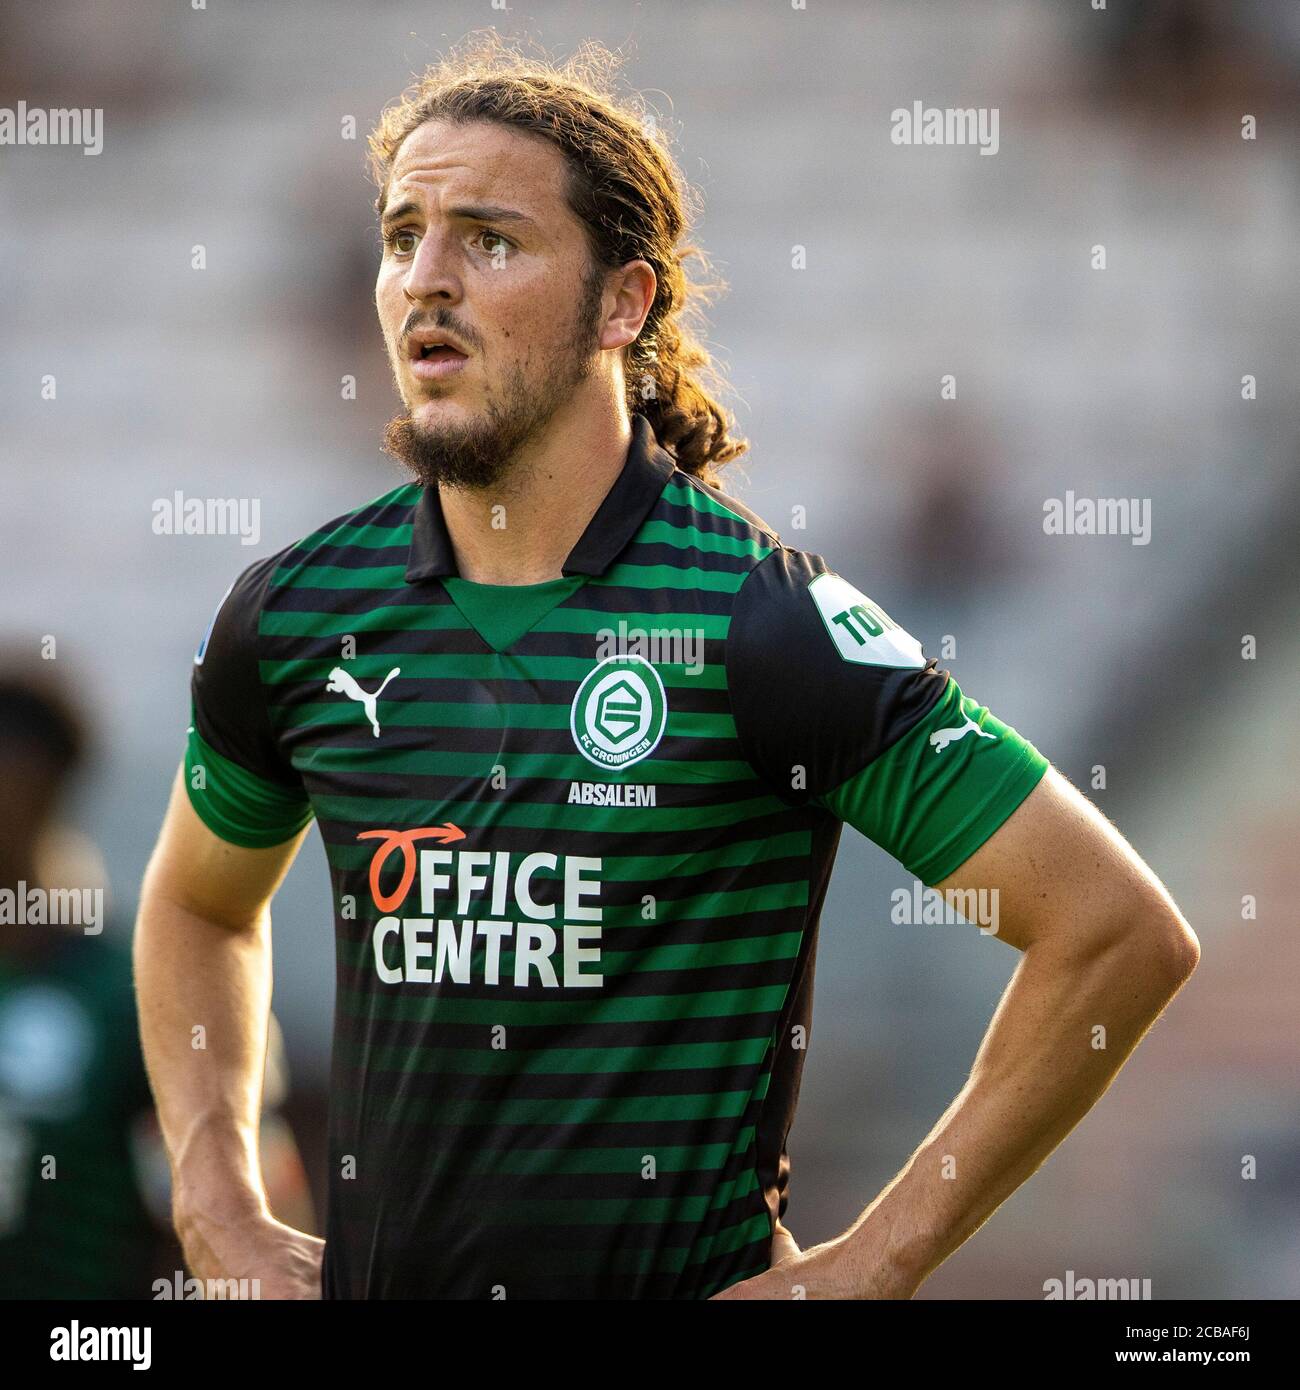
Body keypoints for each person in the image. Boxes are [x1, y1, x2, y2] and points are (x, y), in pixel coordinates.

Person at [134, 34, 1199, 1300]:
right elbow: (199, 904)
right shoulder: (302, 612)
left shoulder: (759, 621)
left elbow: (1112, 930)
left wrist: (867, 1268)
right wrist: (219, 1207)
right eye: (401, 232)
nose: (424, 279)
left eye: (489, 239)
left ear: (622, 303)